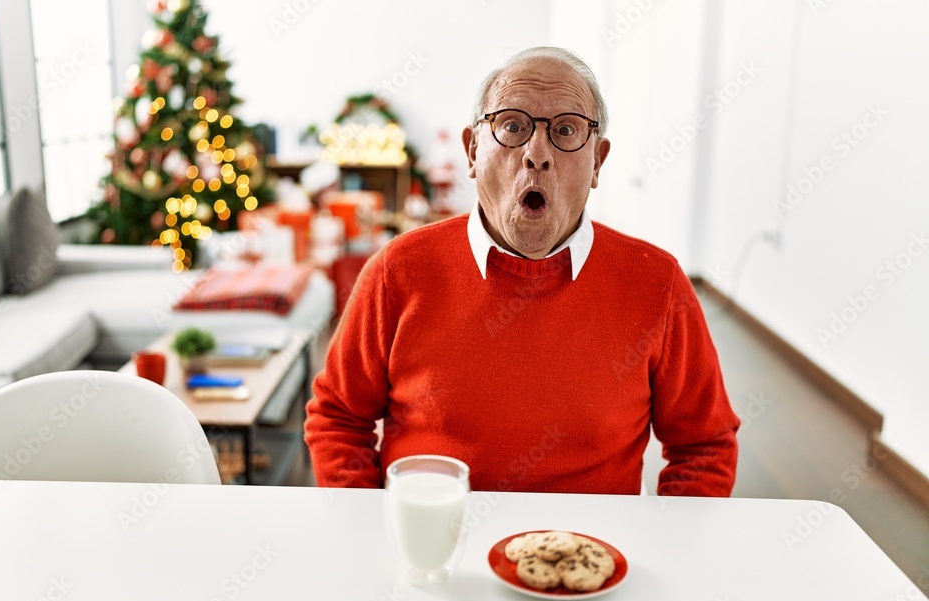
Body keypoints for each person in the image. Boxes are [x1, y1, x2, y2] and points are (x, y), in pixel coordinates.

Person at [304, 47, 740, 496]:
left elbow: (704, 446)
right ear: (473, 150)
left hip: (590, 557)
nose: (537, 154)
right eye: (512, 126)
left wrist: (662, 548)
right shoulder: (397, 270)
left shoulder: (657, 282)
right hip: (434, 550)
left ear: (597, 163)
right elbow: (338, 418)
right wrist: (376, 530)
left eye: (566, 130)